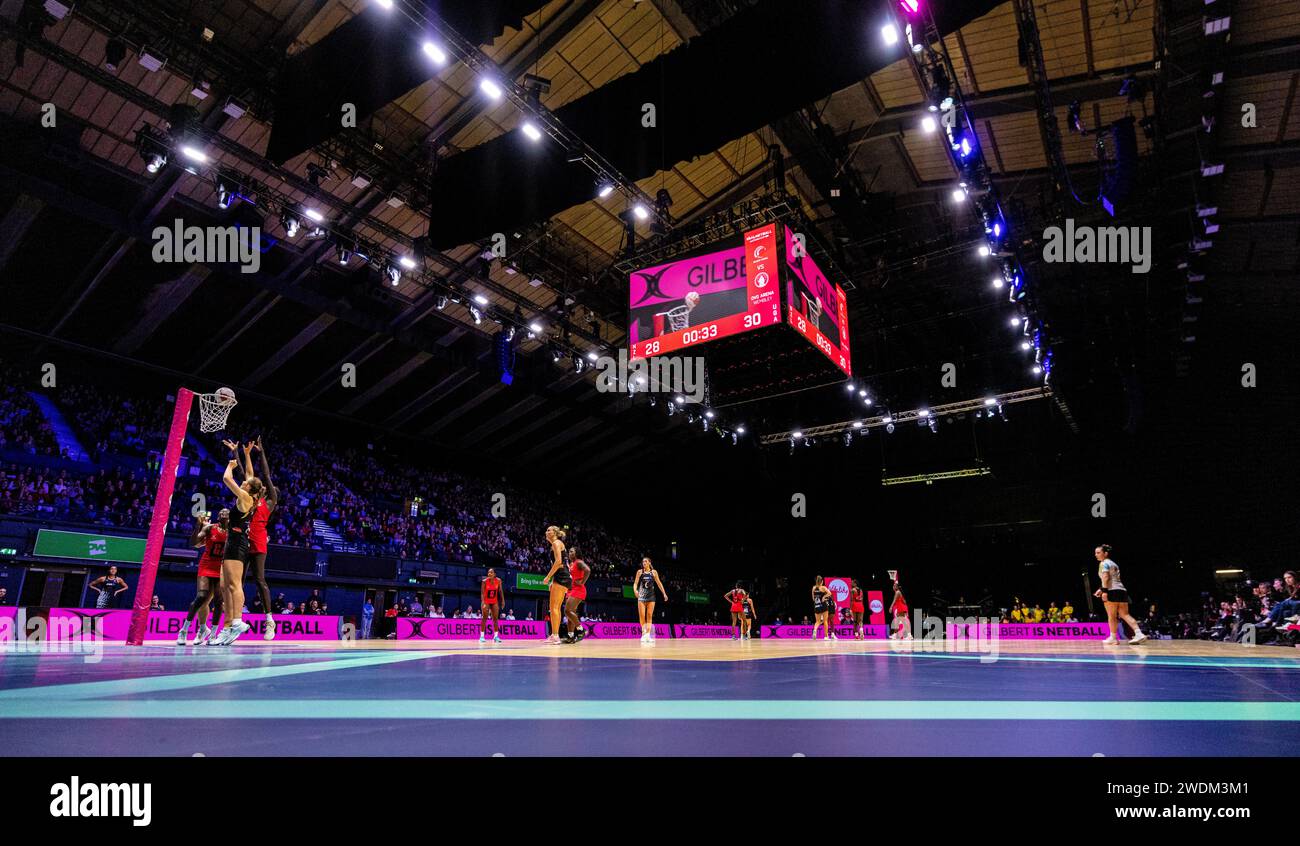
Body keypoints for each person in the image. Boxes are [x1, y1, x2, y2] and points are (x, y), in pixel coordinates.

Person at [210, 440, 262, 646]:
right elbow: (250, 474)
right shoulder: (250, 493)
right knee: (224, 587)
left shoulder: (245, 497)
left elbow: (226, 478)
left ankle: (238, 621)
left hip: (238, 543)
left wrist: (230, 466)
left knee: (234, 585)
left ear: (248, 488)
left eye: (246, 483)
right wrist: (247, 454)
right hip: (234, 541)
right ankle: (229, 626)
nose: (243, 481)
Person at [241, 439, 279, 641]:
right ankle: (235, 619)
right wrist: (243, 454)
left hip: (258, 542)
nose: (265, 485)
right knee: (237, 581)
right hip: (242, 541)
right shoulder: (249, 497)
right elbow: (245, 475)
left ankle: (270, 620)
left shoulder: (269, 502)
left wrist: (262, 453)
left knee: (259, 580)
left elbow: (267, 475)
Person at [179, 509, 228, 646]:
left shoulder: (233, 532)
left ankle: (212, 634)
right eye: (221, 512)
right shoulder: (210, 528)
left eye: (226, 512)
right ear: (218, 516)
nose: (224, 513)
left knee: (218, 601)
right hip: (206, 566)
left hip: (222, 568)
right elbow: (194, 543)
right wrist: (198, 526)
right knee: (201, 597)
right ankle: (184, 630)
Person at [1094, 544, 1148, 645]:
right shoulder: (1113, 563)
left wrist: (1104, 591)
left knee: (1111, 615)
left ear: (1105, 554)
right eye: (1095, 553)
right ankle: (1138, 633)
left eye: (1098, 553)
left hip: (1111, 591)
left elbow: (1105, 577)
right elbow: (1112, 579)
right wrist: (1101, 589)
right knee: (1124, 614)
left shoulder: (1103, 563)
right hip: (1121, 590)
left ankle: (1113, 637)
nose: (1096, 555)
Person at [539, 526, 570, 644]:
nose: (546, 532)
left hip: (562, 576)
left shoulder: (557, 543)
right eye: (546, 530)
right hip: (561, 576)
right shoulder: (556, 544)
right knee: (554, 608)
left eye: (549, 530)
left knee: (554, 607)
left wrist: (548, 577)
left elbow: (559, 562)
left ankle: (556, 636)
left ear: (555, 533)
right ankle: (554, 634)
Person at [634, 557, 668, 643]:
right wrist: (635, 590)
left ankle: (648, 635)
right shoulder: (639, 572)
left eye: (645, 561)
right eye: (643, 562)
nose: (644, 563)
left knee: (649, 615)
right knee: (642, 616)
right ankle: (644, 634)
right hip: (641, 596)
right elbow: (635, 583)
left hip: (651, 597)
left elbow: (659, 583)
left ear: (649, 562)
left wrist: (664, 593)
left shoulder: (654, 572)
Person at [562, 550, 591, 644]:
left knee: (567, 611)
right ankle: (570, 636)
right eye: (569, 552)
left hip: (578, 590)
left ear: (577, 553)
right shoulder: (571, 564)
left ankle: (581, 630)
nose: (570, 553)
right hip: (570, 590)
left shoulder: (578, 562)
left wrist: (582, 582)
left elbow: (588, 570)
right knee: (570, 615)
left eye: (572, 551)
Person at [480, 568, 504, 643]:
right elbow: (482, 593)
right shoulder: (484, 581)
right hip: (486, 601)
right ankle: (482, 636)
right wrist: (483, 603)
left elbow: (500, 591)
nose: (489, 573)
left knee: (495, 619)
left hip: (494, 601)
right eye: (488, 572)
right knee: (485, 618)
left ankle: (496, 636)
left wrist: (503, 600)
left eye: (491, 572)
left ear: (494, 574)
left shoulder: (499, 581)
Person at [811, 576, 835, 641]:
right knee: (825, 621)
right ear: (822, 581)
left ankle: (815, 630)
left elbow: (813, 598)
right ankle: (826, 636)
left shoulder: (813, 588)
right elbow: (830, 593)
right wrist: (824, 596)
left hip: (816, 606)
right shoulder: (823, 587)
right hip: (823, 605)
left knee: (818, 621)